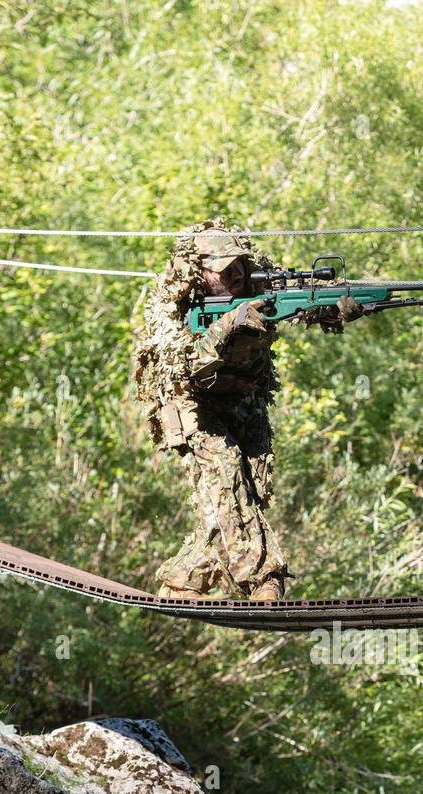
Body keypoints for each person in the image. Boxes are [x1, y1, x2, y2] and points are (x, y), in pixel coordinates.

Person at [134, 218, 362, 601]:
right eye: (225, 269)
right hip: (193, 404)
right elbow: (185, 367)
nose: (237, 274)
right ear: (200, 272)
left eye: (240, 264)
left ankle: (185, 578)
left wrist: (338, 308)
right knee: (226, 478)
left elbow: (307, 299)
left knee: (242, 494)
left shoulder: (258, 279)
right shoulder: (173, 303)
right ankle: (264, 579)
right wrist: (229, 324)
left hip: (244, 398)